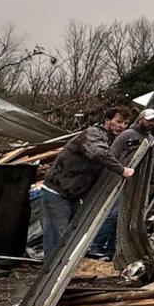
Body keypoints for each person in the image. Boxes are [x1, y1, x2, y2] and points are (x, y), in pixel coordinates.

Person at [40, 106, 136, 259]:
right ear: (107, 121)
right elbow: (98, 153)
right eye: (118, 122)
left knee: (74, 236)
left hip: (73, 194)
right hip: (57, 191)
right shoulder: (93, 134)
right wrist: (122, 170)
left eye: (125, 123)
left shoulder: (110, 140)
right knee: (57, 236)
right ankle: (50, 273)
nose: (122, 126)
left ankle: (63, 270)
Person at [92, 108, 154, 257]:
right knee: (114, 214)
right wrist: (111, 177)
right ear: (141, 119)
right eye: (148, 120)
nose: (151, 123)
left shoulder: (150, 139)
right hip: (121, 180)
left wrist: (152, 182)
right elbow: (112, 155)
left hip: (137, 183)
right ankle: (95, 246)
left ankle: (111, 248)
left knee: (124, 216)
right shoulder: (127, 135)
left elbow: (151, 163)